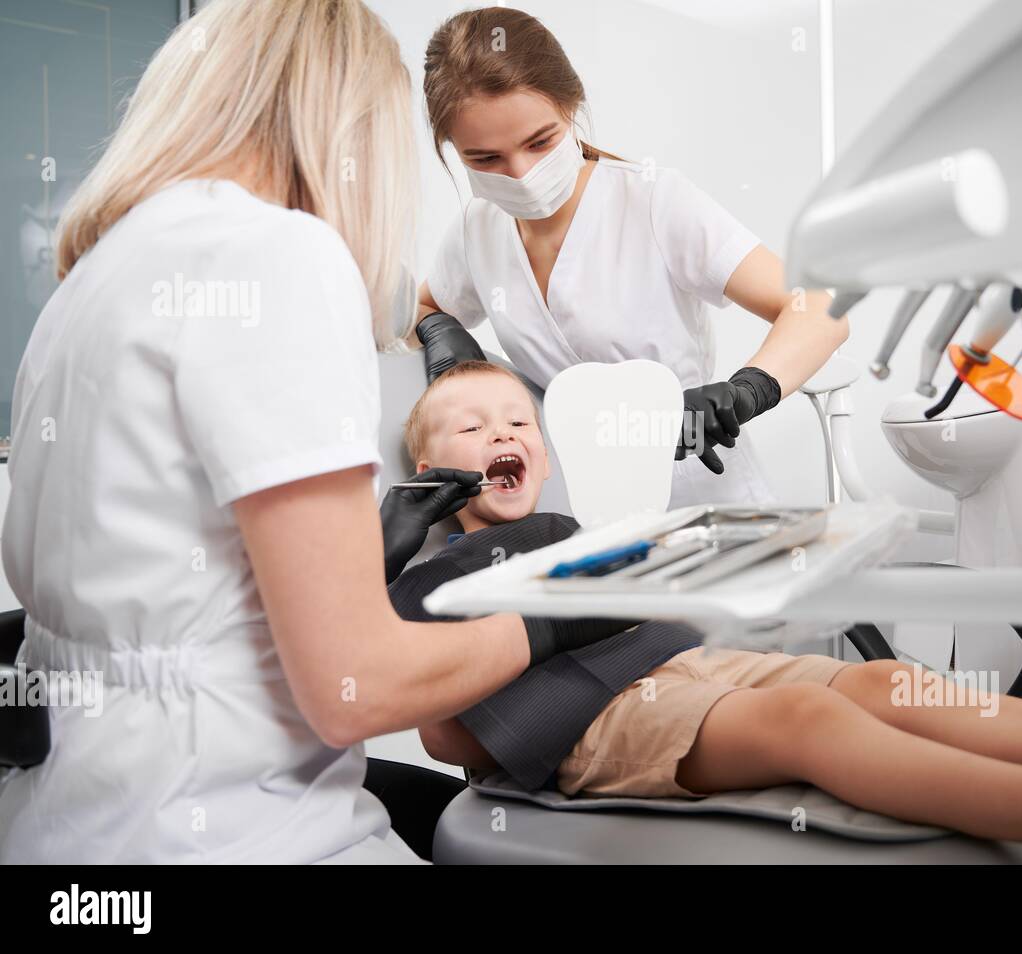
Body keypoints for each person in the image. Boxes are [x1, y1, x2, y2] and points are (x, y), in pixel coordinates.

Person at [0, 0, 628, 864]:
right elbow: (352, 688)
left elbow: (174, 580)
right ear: (347, 125)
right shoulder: (277, 256)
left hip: (72, 828)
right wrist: (556, 620)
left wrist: (355, 557)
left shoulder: (93, 275)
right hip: (230, 833)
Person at [386, 359, 1022, 865]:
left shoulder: (572, 532)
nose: (505, 434)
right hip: (592, 728)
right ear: (428, 471)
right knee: (807, 717)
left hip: (682, 674)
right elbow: (445, 743)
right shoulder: (426, 578)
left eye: (520, 421)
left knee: (888, 679)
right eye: (471, 428)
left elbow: (664, 623)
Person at [415, 7, 850, 510]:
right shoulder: (476, 230)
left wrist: (744, 391)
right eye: (484, 158)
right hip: (579, 509)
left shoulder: (651, 201)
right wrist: (441, 337)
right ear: (452, 148)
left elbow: (819, 309)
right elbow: (425, 309)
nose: (520, 173)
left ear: (572, 104)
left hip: (706, 499)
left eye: (541, 141)